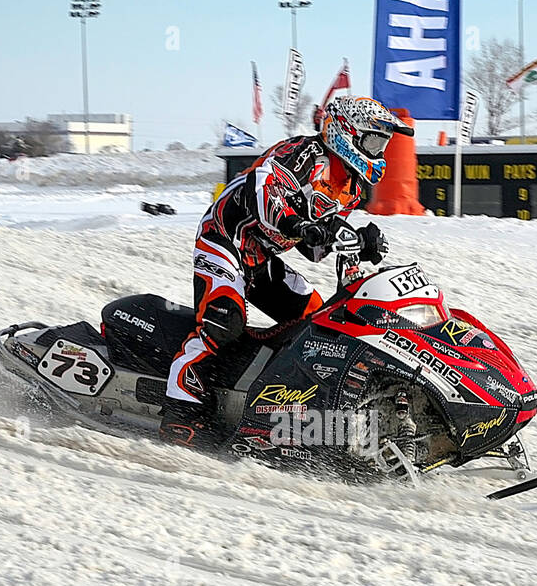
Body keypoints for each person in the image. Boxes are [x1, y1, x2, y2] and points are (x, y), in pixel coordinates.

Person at [160, 95, 413, 448]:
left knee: (318, 319)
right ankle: (179, 409)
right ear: (346, 133)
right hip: (225, 240)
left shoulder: (352, 187)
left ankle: (279, 404)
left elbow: (318, 246)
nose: (379, 151)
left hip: (262, 255)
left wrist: (357, 245)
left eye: (383, 143)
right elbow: (263, 193)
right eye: (373, 141)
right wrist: (299, 224)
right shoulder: (302, 154)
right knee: (223, 323)